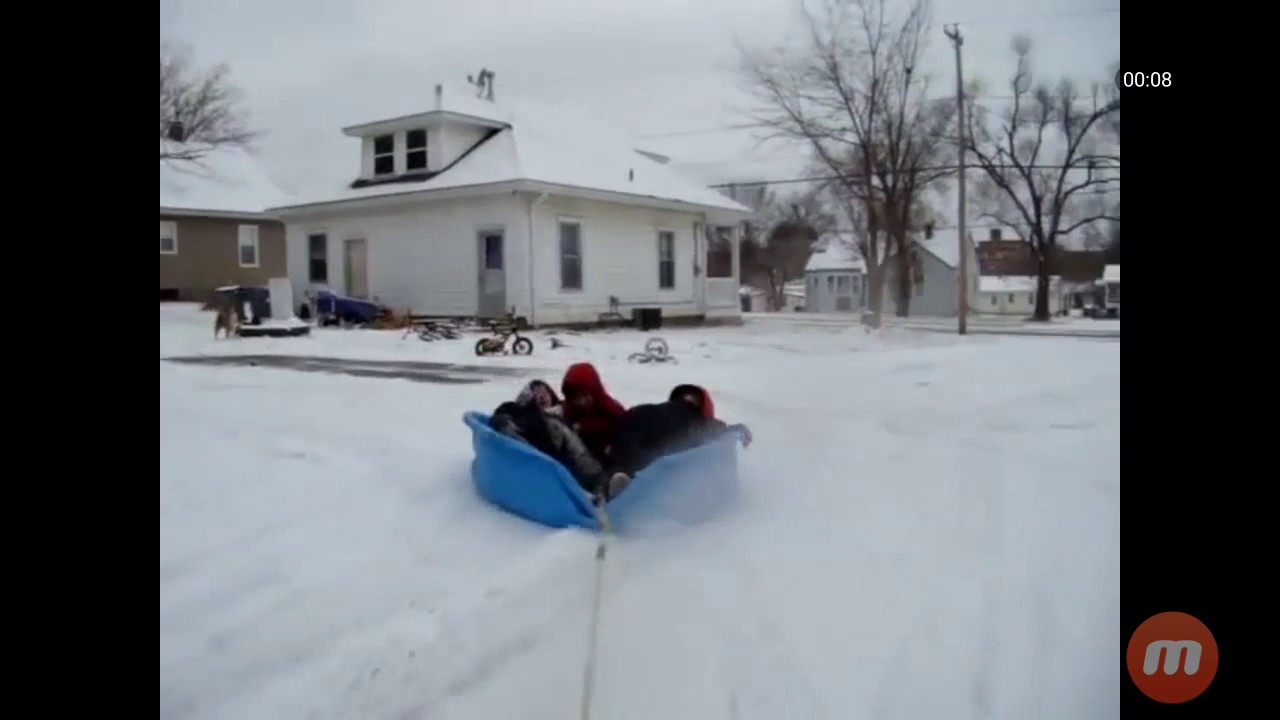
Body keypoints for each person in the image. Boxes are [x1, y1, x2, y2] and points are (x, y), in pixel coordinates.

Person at [489, 380, 629, 499]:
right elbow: (504, 426)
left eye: (545, 394)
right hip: (542, 466)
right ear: (528, 397)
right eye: (537, 394)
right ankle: (601, 484)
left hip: (567, 462)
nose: (542, 397)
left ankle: (607, 483)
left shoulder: (562, 413)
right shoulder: (518, 413)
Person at [609, 383, 752, 479]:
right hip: (643, 425)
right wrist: (738, 429)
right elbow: (717, 429)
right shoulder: (697, 421)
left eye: (694, 399)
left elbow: (718, 428)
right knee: (637, 459)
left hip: (640, 426)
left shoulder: (697, 420)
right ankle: (619, 477)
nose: (689, 400)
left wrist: (737, 429)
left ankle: (617, 478)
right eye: (688, 397)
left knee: (631, 458)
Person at [560, 362, 628, 464]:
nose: (581, 401)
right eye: (576, 398)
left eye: (585, 395)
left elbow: (625, 431)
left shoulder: (612, 410)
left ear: (595, 392)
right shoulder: (569, 412)